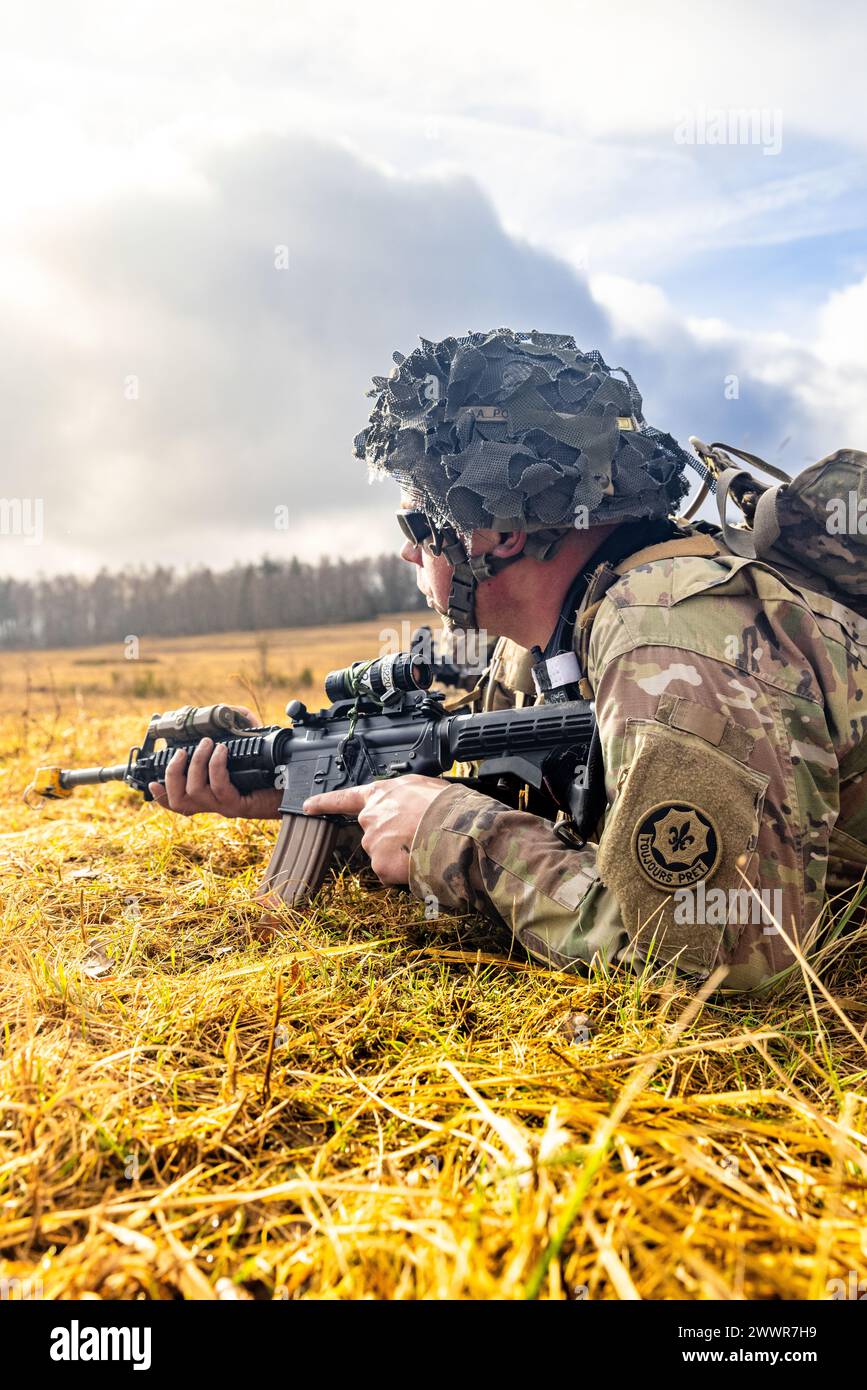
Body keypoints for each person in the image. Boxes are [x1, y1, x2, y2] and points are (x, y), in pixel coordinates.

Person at [151, 330, 867, 992]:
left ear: (491, 531)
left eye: (414, 522)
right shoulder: (550, 639)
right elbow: (477, 801)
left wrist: (464, 840)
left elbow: (709, 967)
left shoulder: (671, 643)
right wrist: (302, 796)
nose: (407, 550)